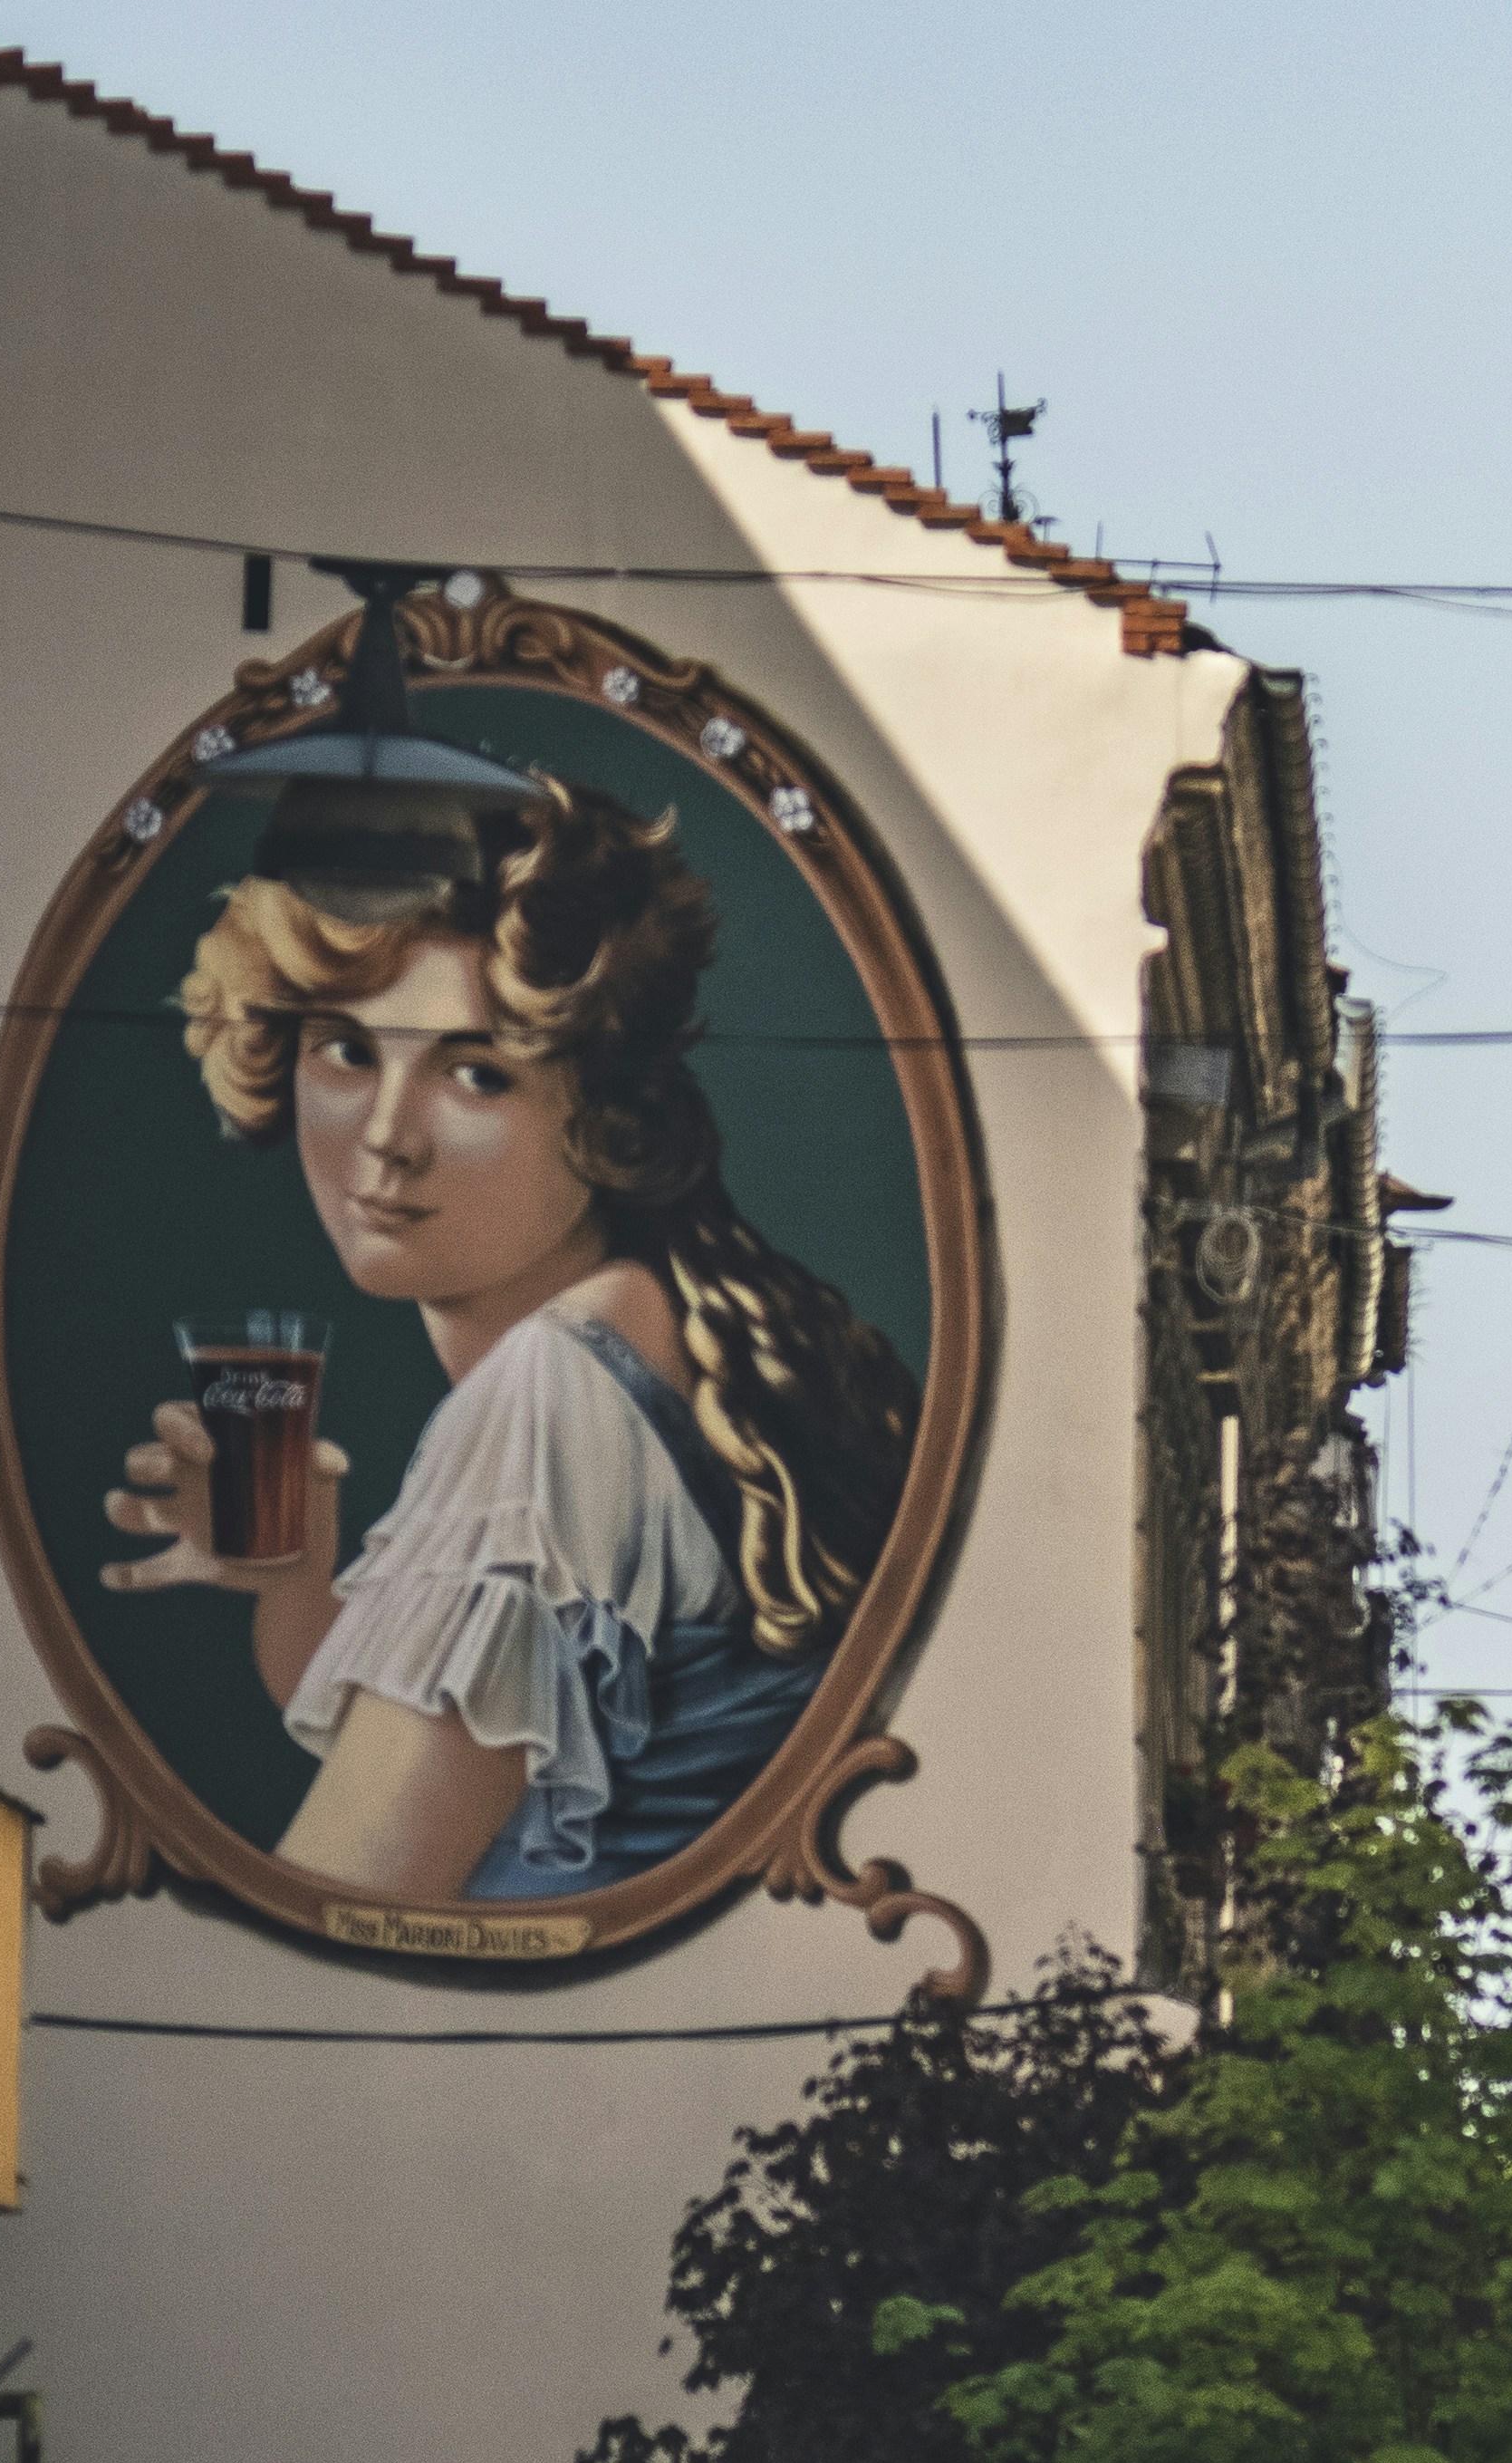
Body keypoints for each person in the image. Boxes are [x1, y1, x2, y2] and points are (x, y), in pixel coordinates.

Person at [105, 772, 922, 1906]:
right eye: (344, 1051)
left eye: (474, 1074)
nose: (386, 1139)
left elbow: (350, 1901)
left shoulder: (550, 1392)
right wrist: (298, 1583)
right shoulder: (650, 1321)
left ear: (603, 1117)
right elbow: (462, 1735)